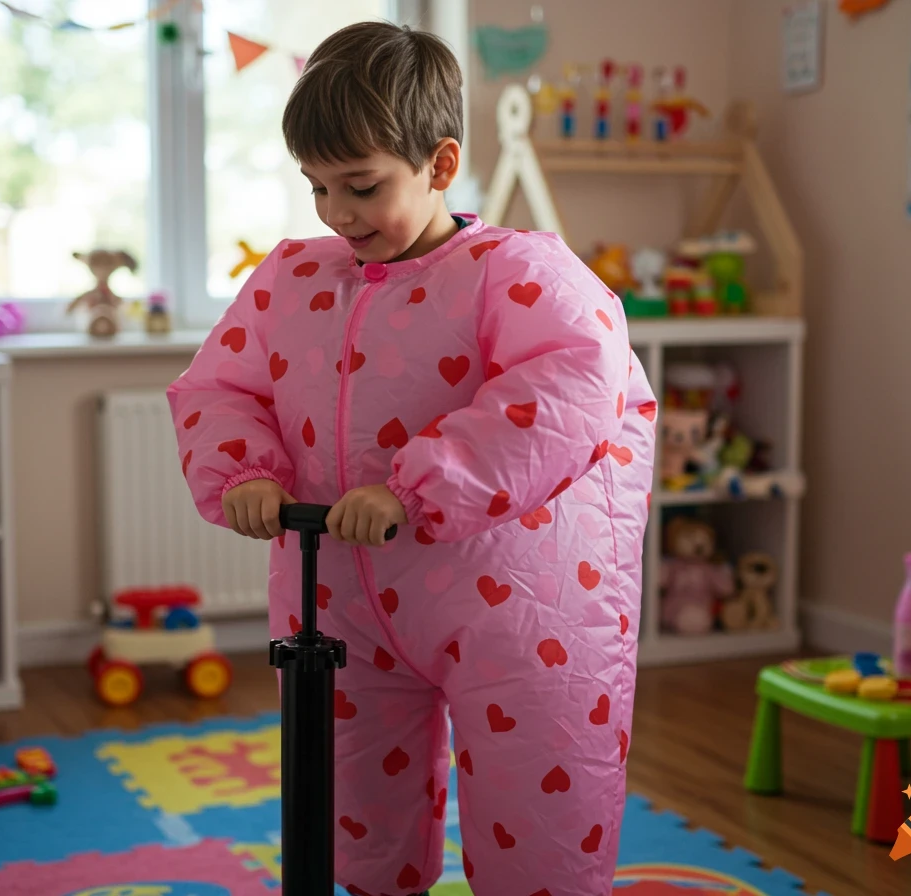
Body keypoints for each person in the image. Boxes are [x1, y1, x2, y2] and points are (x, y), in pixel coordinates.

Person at [168, 21, 655, 896]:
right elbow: (219, 387)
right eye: (316, 187)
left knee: (539, 802)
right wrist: (243, 471)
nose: (336, 214)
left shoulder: (520, 275)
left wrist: (418, 486)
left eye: (360, 186)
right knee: (352, 798)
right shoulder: (292, 279)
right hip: (340, 593)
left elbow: (570, 387)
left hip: (517, 600)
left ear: (439, 163)